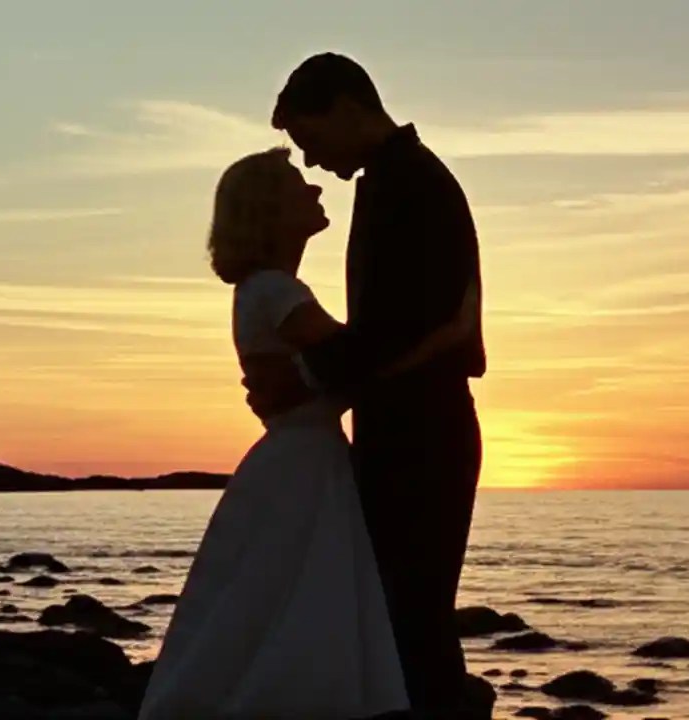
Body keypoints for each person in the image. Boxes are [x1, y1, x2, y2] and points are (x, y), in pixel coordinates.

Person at [136, 146, 477, 720]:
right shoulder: (278, 291)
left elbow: (338, 366)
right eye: (300, 184)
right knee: (306, 596)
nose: (316, 190)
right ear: (271, 209)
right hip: (304, 464)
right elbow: (357, 361)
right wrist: (451, 335)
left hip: (300, 456)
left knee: (278, 596)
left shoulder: (265, 289)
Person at [246, 52, 490, 720]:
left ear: (348, 108)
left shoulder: (409, 182)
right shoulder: (395, 179)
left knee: (411, 613)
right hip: (406, 428)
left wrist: (303, 378)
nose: (312, 160)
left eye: (311, 139)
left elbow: (404, 327)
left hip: (423, 432)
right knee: (403, 613)